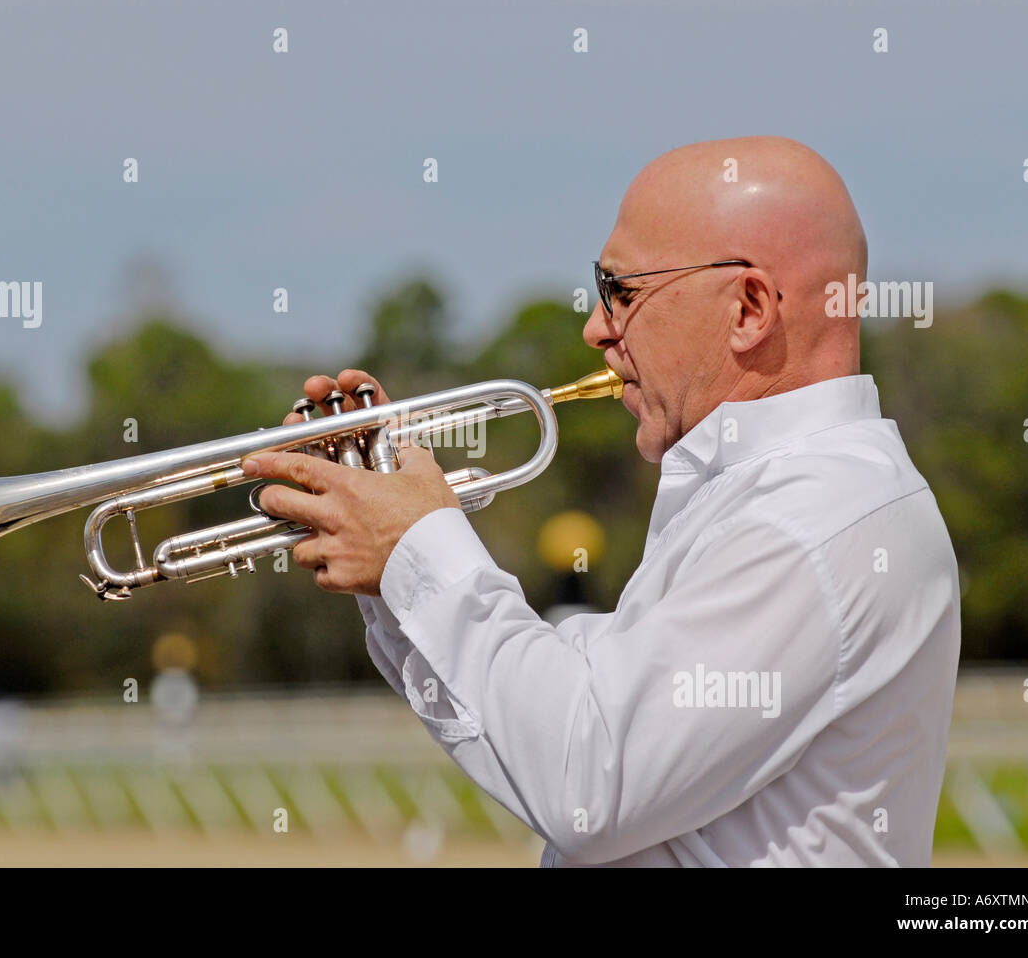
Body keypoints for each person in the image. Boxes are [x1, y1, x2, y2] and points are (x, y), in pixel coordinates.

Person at [240, 136, 961, 866]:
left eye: (621, 291)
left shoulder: (816, 517)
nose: (595, 328)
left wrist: (418, 549)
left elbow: (589, 782)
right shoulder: (765, 494)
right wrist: (385, 555)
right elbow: (553, 706)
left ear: (748, 307)